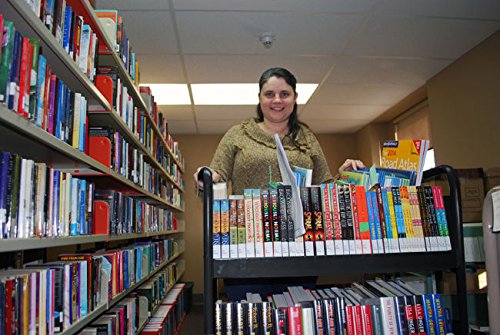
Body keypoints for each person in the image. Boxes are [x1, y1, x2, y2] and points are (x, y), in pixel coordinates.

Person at [194, 67, 365, 301]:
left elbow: (324, 186)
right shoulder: (237, 135)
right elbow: (217, 174)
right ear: (259, 98)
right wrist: (206, 177)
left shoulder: (307, 137)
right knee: (250, 319)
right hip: (247, 246)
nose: (277, 100)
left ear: (295, 98)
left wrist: (345, 177)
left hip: (299, 247)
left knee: (297, 319)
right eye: (269, 94)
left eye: (284, 94)